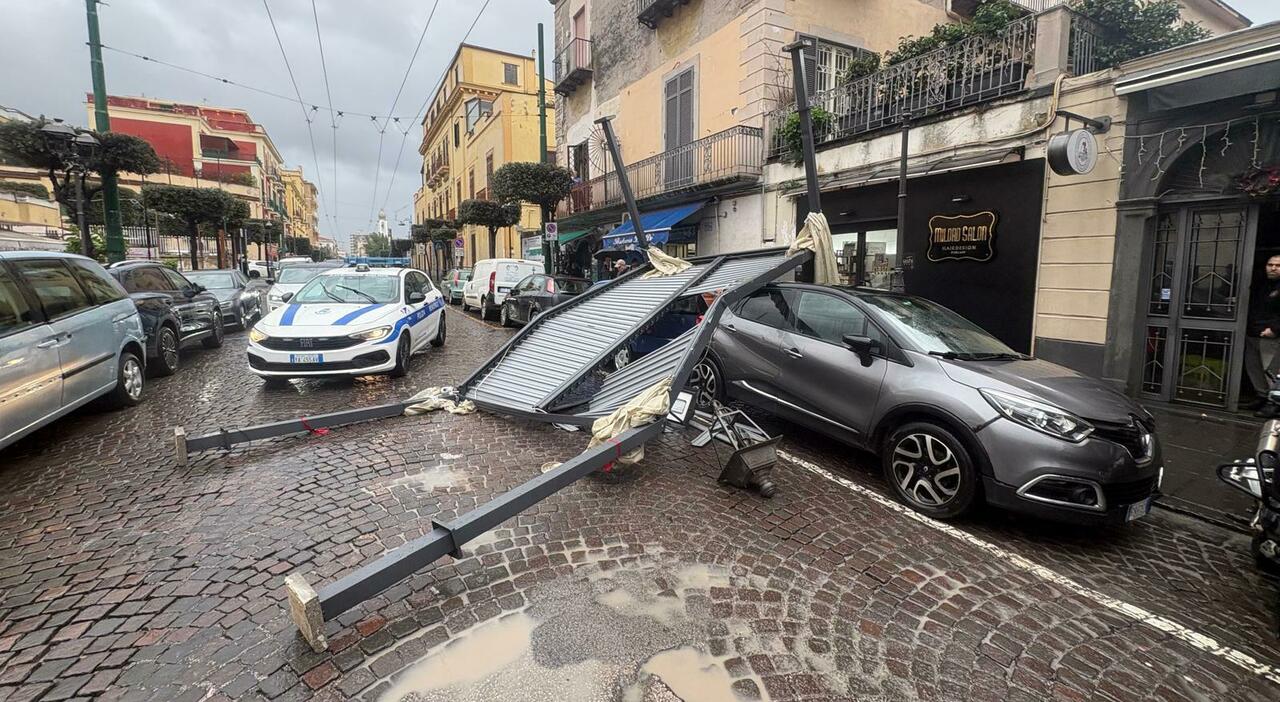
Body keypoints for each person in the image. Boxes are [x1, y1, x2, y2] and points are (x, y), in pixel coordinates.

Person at [1245, 255, 1280, 413]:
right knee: (1254, 367)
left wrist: (1274, 329)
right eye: (1270, 264)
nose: (1273, 268)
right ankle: (1262, 396)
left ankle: (1274, 403)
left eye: (1278, 265)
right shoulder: (1262, 284)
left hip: (1270, 334)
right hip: (1253, 332)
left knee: (1270, 370)